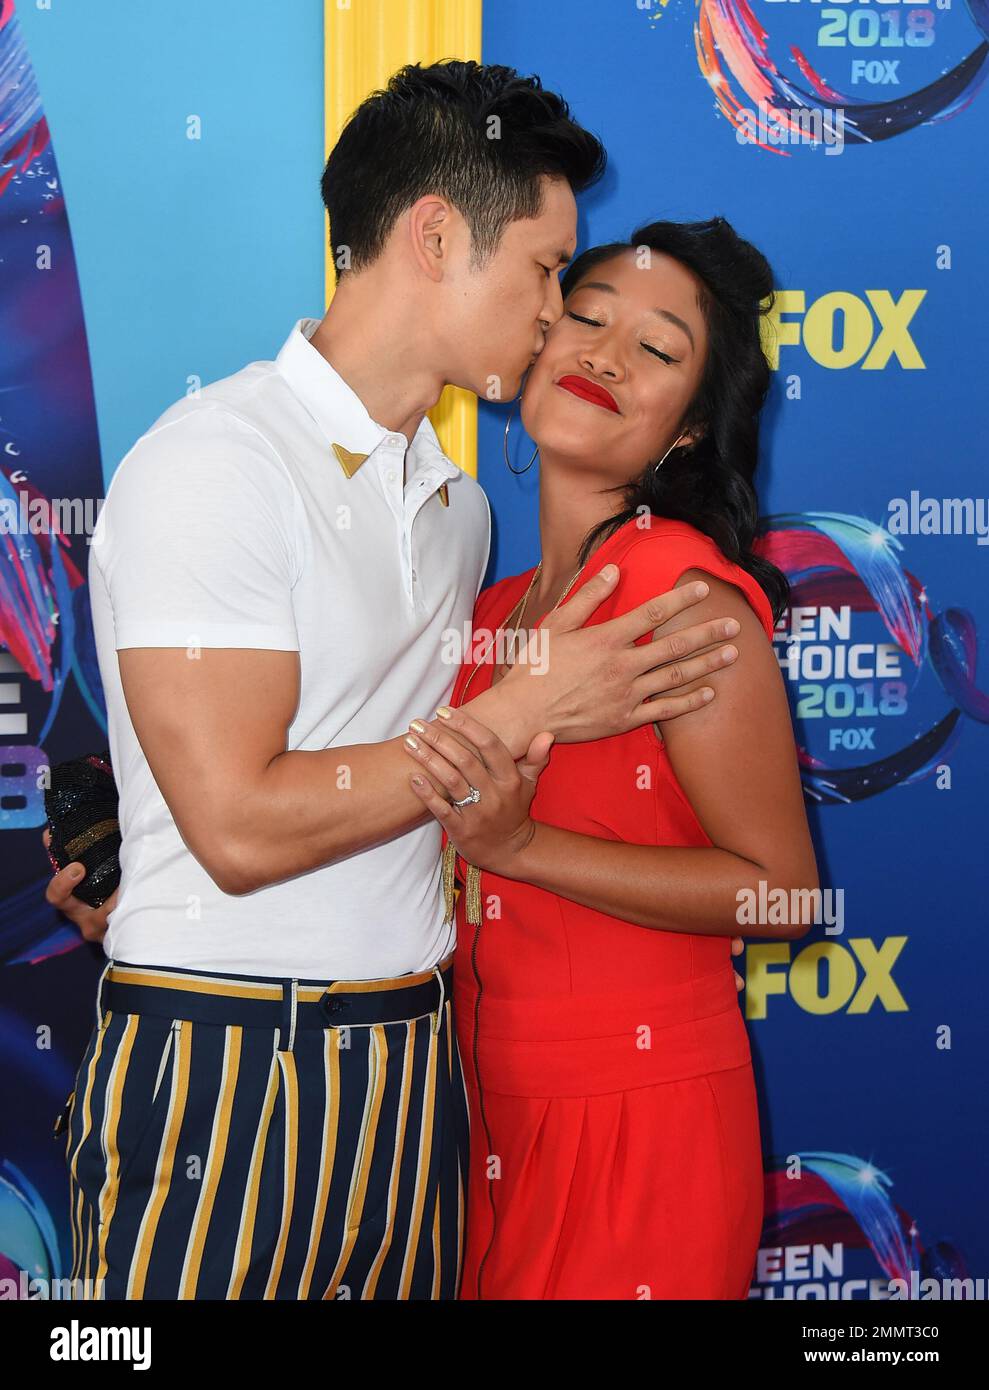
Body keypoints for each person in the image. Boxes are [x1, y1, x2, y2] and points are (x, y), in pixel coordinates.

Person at [45, 63, 750, 1301]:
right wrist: (530, 703)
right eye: (543, 270)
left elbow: (415, 795)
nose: (555, 314)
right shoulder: (217, 461)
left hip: (418, 1073)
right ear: (434, 234)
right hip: (227, 1053)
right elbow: (242, 826)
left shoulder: (459, 515)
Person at [399, 218, 820, 1300]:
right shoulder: (488, 607)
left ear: (687, 433)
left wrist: (524, 846)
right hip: (480, 1125)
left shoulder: (679, 590)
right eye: (583, 318)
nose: (602, 354)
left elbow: (780, 897)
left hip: (639, 1124)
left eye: (658, 349)